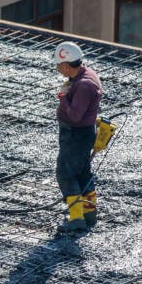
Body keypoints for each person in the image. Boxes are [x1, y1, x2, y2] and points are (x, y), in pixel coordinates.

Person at [54, 41, 102, 232]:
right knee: (82, 172)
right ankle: (89, 213)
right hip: (81, 134)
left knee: (65, 174)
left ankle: (76, 219)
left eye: (58, 65)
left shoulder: (83, 85)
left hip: (76, 135)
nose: (57, 68)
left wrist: (63, 96)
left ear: (66, 65)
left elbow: (75, 115)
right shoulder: (84, 75)